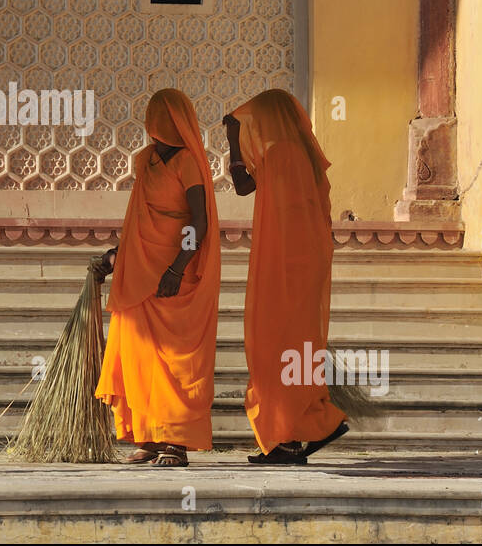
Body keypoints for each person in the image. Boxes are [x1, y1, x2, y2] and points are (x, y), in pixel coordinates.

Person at [92, 88, 221, 467]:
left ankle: (176, 441)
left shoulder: (189, 163)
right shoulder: (145, 160)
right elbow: (137, 218)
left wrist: (177, 268)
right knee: (141, 355)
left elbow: (199, 222)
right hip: (140, 273)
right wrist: (118, 256)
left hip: (173, 274)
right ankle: (148, 435)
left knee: (176, 359)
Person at [224, 89, 349, 464]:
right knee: (296, 346)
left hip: (284, 266)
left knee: (272, 346)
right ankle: (306, 426)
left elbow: (242, 185)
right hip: (303, 263)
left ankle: (296, 434)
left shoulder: (279, 154)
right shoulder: (302, 153)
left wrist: (232, 141)